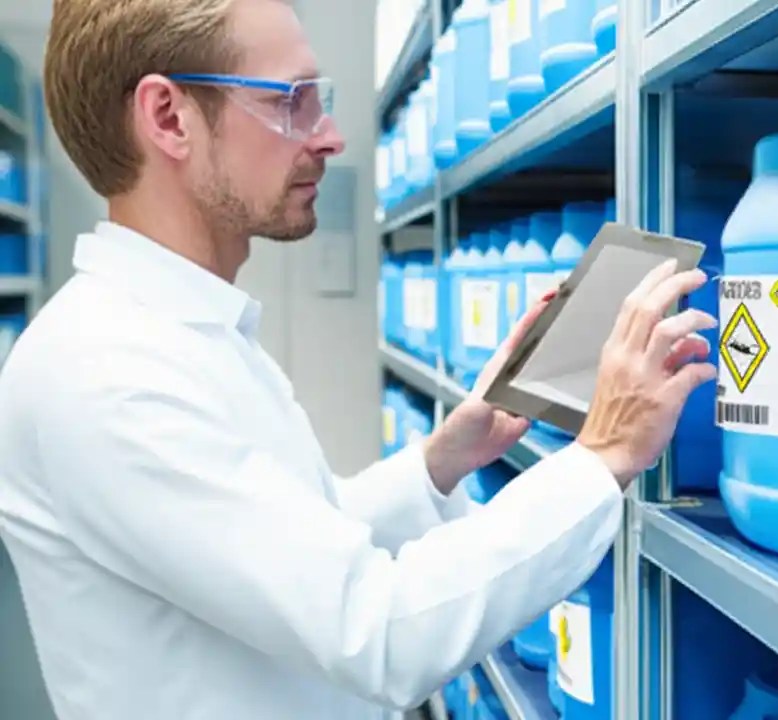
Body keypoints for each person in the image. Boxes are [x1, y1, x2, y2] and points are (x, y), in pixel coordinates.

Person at [0, 1, 716, 718]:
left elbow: (290, 544)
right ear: (168, 118)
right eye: (292, 102)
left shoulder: (175, 335)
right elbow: (376, 630)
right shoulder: (107, 374)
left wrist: (442, 459)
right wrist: (603, 455)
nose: (332, 136)